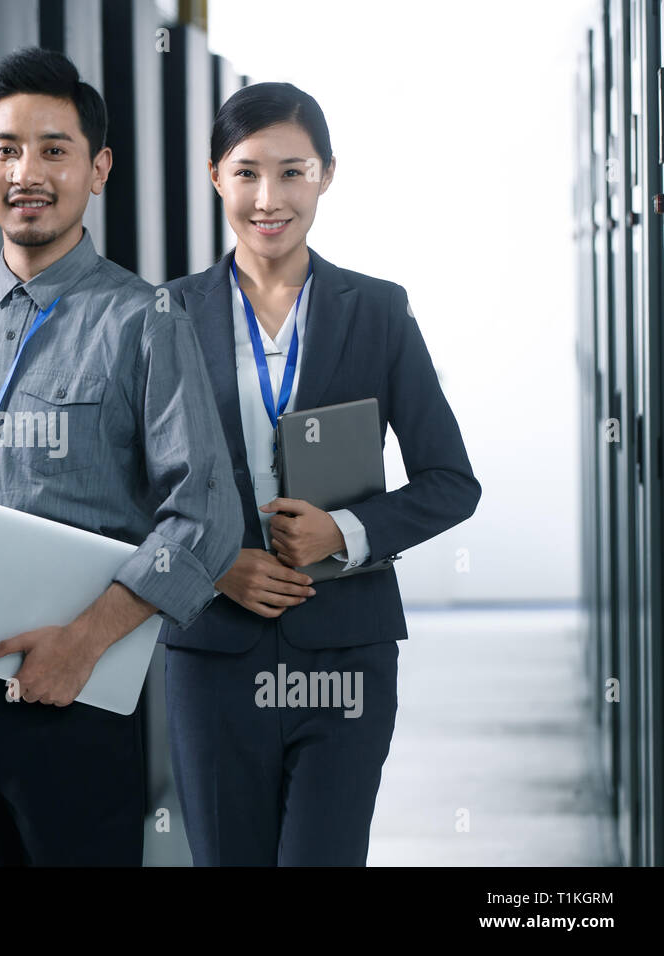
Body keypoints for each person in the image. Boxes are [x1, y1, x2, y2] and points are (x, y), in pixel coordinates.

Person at [0, 47, 242, 866]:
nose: (26, 171)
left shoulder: (147, 323)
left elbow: (206, 519)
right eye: (6, 149)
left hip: (76, 694)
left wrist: (86, 640)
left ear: (98, 168)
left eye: (54, 149)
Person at [160, 81, 481, 866]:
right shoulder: (163, 316)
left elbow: (450, 480)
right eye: (246, 172)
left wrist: (348, 532)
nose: (269, 197)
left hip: (346, 649)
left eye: (293, 171)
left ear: (327, 175)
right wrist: (212, 568)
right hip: (214, 658)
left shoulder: (377, 310)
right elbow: (127, 490)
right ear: (214, 176)